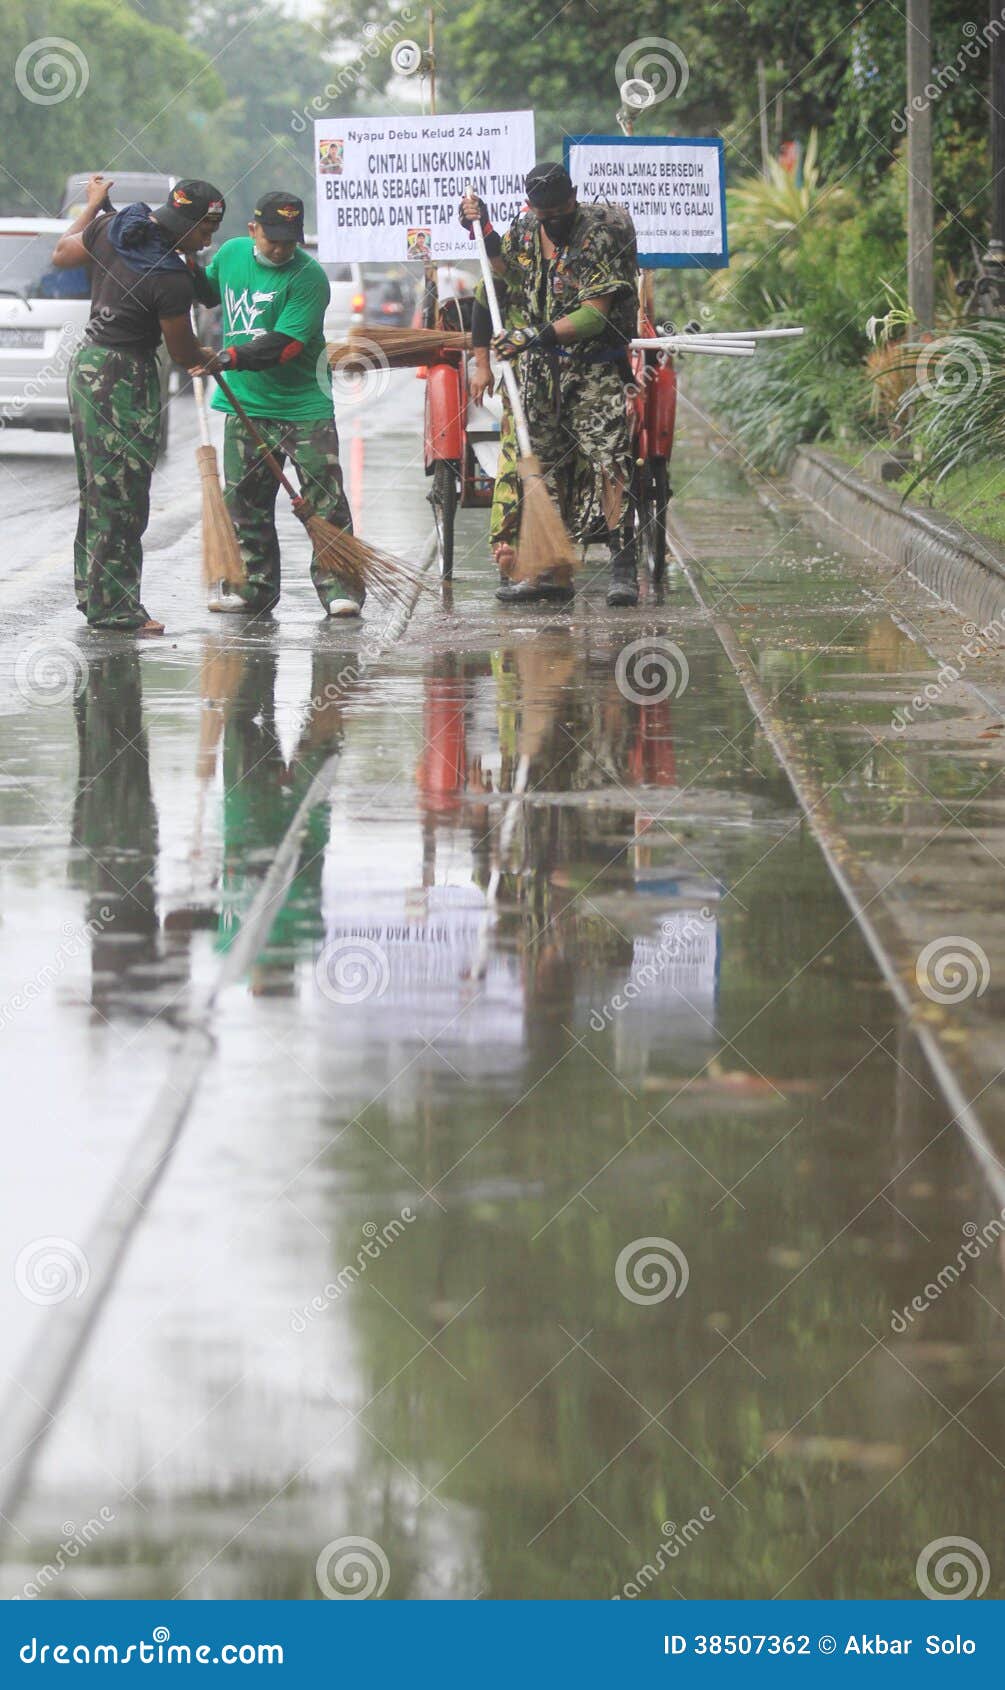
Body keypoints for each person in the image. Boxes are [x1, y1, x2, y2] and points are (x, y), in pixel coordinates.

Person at [51, 175, 225, 634]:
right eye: (205, 231)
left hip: (87, 365)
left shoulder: (119, 226)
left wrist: (91, 205)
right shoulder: (168, 277)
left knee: (99, 489)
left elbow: (62, 253)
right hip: (123, 375)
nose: (208, 240)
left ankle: (95, 593)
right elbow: (184, 353)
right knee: (123, 495)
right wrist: (214, 359)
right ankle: (115, 609)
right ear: (185, 224)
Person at [462, 163, 639, 607]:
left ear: (574, 198)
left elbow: (595, 313)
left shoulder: (604, 232)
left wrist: (533, 335)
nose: (552, 222)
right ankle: (551, 571)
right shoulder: (524, 228)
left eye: (560, 211)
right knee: (541, 465)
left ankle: (623, 567)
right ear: (531, 209)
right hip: (541, 369)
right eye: (544, 215)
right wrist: (483, 229)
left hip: (593, 364)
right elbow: (503, 276)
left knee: (610, 461)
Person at [190, 191, 359, 618]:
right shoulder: (231, 254)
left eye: (290, 241)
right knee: (245, 503)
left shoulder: (308, 277)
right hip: (244, 406)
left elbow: (284, 346)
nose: (281, 249)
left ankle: (340, 588)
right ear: (253, 230)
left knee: (325, 502)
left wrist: (226, 358)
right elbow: (206, 292)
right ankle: (254, 589)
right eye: (273, 240)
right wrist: (178, 262)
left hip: (304, 408)